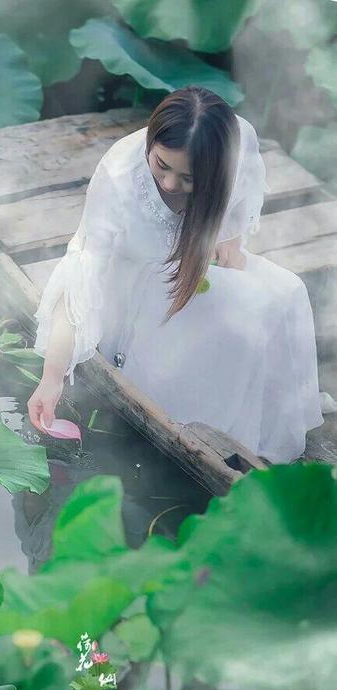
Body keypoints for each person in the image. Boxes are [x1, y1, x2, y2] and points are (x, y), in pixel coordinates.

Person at [28, 85, 332, 464]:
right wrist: (52, 377)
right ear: (150, 146)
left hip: (194, 264)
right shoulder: (120, 175)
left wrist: (228, 245)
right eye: (162, 165)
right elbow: (79, 287)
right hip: (135, 288)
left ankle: (256, 427)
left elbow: (237, 212)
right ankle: (200, 419)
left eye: (188, 178)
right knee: (246, 320)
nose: (170, 184)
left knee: (284, 293)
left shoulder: (238, 144)